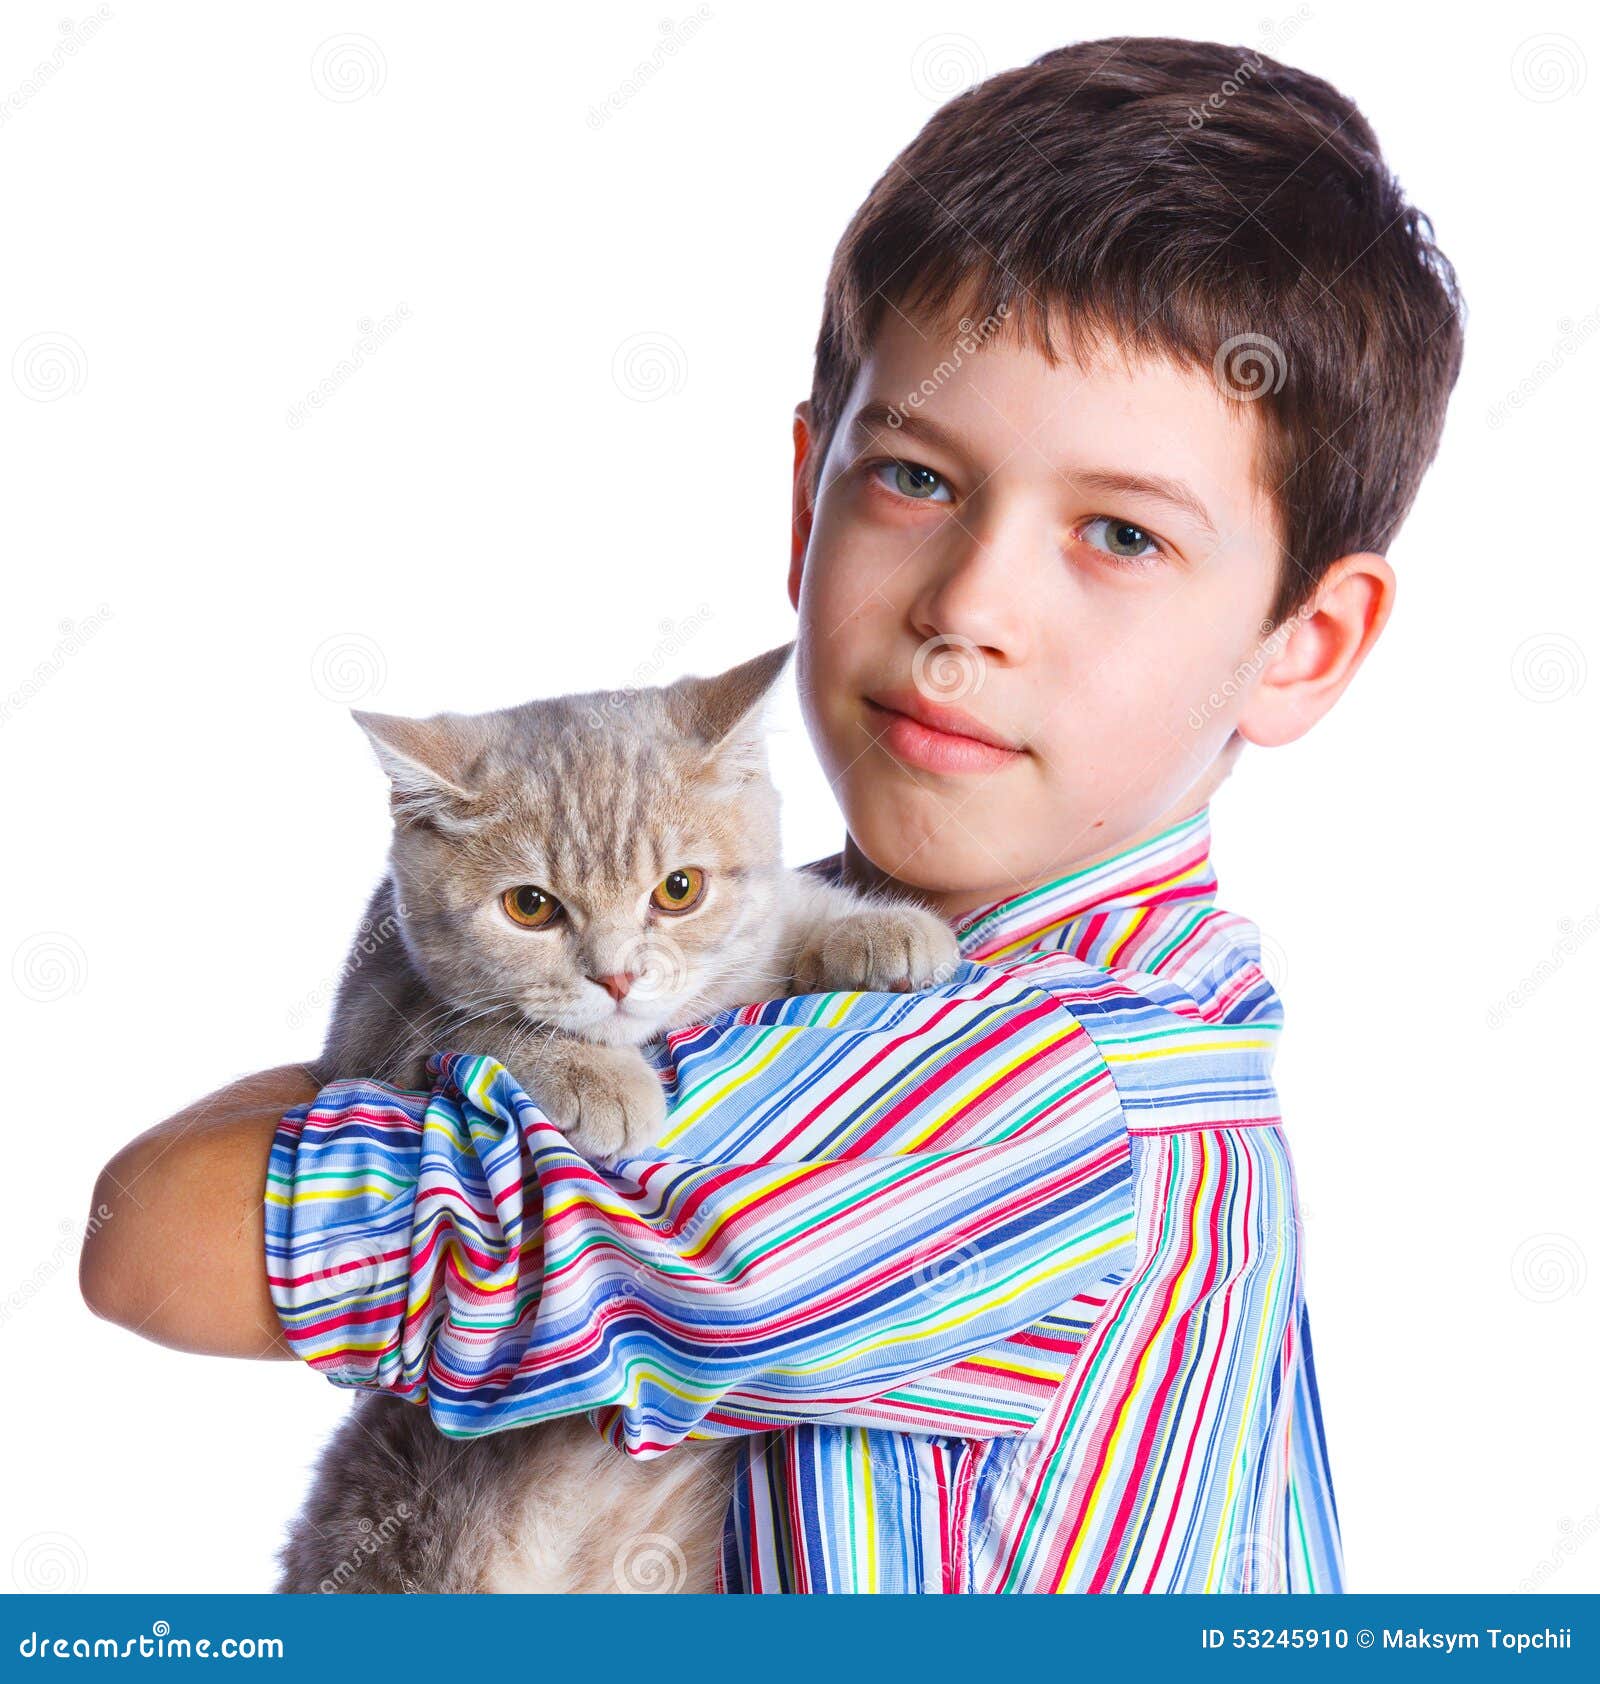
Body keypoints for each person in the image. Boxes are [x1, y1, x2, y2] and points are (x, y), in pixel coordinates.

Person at [80, 35, 1464, 1592]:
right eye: (921, 481)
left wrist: (456, 1027)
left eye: (1122, 536)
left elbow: (154, 1238)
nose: (970, 608)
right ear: (806, 498)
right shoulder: (934, 977)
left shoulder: (1027, 1099)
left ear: (1307, 645)